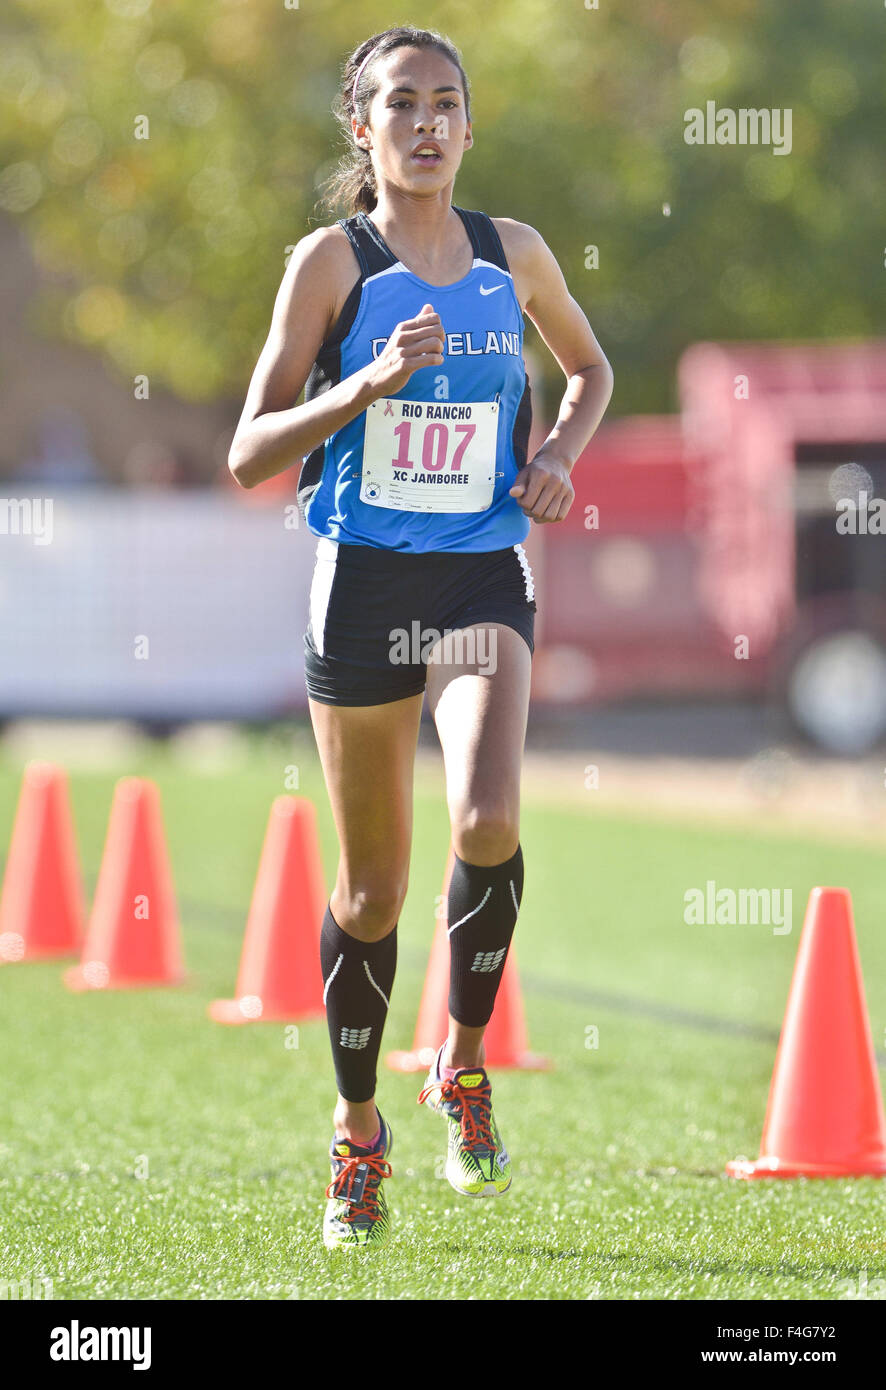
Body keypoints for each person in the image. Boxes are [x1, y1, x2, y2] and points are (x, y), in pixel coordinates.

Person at [228, 25, 614, 1250]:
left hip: (480, 579)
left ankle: (460, 1065)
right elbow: (249, 454)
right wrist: (363, 387)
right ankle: (357, 1135)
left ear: (468, 124)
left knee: (489, 818)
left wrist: (552, 455)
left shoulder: (515, 256)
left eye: (447, 104)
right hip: (362, 588)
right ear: (363, 127)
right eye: (402, 106)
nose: (428, 125)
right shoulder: (329, 266)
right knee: (371, 889)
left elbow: (591, 368)